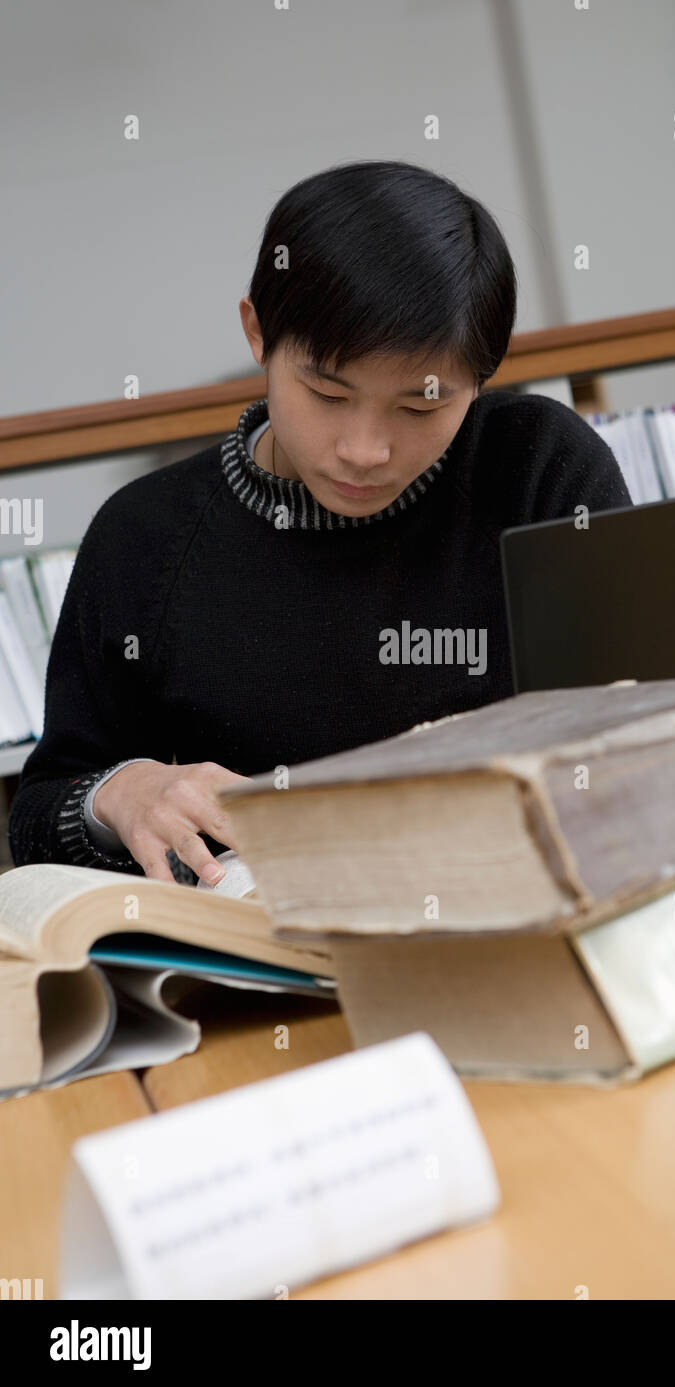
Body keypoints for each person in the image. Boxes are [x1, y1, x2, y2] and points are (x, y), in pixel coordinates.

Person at [9, 159, 631, 888]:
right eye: (327, 394)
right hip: (264, 966)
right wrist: (119, 795)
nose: (364, 451)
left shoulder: (538, 470)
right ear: (257, 333)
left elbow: (648, 729)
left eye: (421, 408)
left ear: (481, 378)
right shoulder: (143, 540)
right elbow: (41, 812)